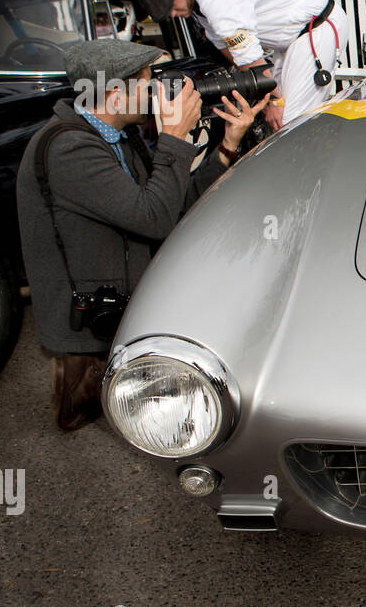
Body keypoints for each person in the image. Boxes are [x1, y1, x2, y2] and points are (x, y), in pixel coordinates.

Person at [14, 39, 261, 431]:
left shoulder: (115, 138)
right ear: (116, 93)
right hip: (92, 336)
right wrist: (175, 139)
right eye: (147, 83)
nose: (156, 92)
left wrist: (227, 147)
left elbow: (172, 203)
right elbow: (154, 218)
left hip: (130, 314)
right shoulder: (69, 149)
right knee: (103, 430)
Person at [137, 0, 349, 131]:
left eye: (171, 4)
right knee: (280, 119)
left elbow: (249, 58)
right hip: (291, 40)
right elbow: (228, 49)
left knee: (290, 122)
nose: (173, 14)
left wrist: (273, 102)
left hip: (316, 29)